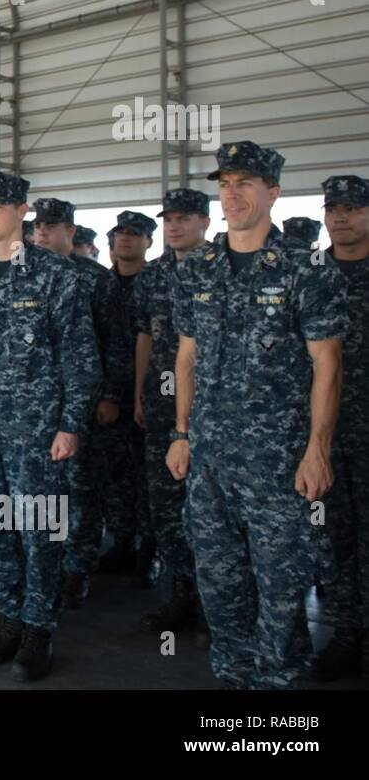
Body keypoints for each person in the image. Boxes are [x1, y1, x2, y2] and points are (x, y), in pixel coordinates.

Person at [169, 140, 345, 689]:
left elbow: (328, 362)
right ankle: (233, 678)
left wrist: (317, 449)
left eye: (245, 183)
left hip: (278, 460)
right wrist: (180, 434)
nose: (233, 193)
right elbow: (187, 355)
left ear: (273, 191)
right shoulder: (200, 268)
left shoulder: (305, 269)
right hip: (211, 458)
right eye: (225, 183)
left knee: (281, 586)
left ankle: (277, 693)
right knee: (218, 580)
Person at [0, 171, 98, 682]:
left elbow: (80, 356)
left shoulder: (55, 274)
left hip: (40, 431)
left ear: (23, 211)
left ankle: (40, 624)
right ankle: (11, 616)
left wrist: (70, 425)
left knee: (39, 528)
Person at [30, 197, 116, 611]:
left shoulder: (95, 279)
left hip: (80, 403)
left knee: (81, 487)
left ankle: (78, 567)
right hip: (34, 406)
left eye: (51, 225)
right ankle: (44, 565)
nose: (42, 231)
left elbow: (114, 343)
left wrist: (109, 395)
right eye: (38, 225)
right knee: (43, 491)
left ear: (70, 229)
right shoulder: (25, 275)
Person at [133, 188, 211, 634]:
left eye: (184, 218)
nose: (174, 226)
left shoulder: (218, 269)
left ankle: (213, 605)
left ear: (204, 221)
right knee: (166, 506)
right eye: (169, 219)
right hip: (162, 409)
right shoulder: (154, 274)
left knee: (209, 510)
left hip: (212, 410)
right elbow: (144, 334)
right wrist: (139, 393)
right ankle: (180, 593)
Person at [310, 174, 369, 681]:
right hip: (325, 431)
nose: (341, 217)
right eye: (334, 209)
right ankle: (348, 633)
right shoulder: (309, 272)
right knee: (334, 536)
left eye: (352, 208)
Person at [98, 210, 156, 584]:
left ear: (149, 242)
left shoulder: (157, 281)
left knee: (150, 476)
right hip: (105, 397)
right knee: (116, 475)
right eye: (120, 232)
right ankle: (121, 541)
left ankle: (149, 549)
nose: (126, 238)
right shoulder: (101, 285)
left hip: (150, 396)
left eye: (135, 233)